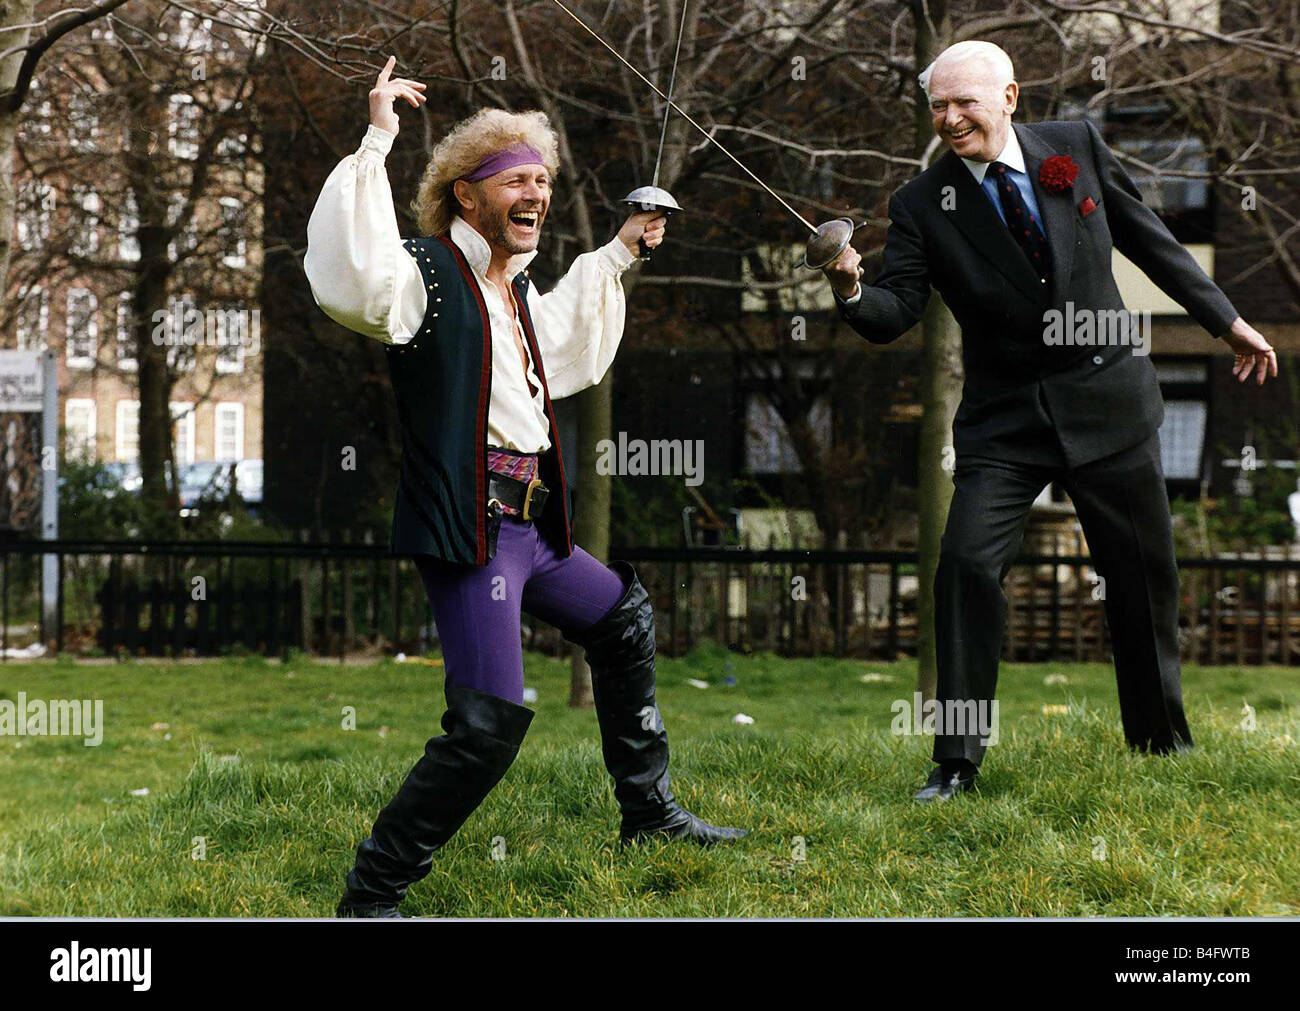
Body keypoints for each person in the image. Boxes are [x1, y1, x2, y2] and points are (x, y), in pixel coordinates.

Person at [305, 56, 745, 918]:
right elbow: (356, 274)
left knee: (622, 620)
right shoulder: (425, 277)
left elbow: (566, 322)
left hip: (534, 530)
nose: (535, 191)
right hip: (472, 528)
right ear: (468, 196)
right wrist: (378, 136)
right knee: (485, 728)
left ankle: (647, 812)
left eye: (543, 178)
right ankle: (372, 892)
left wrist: (621, 249)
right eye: (517, 179)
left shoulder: (514, 292)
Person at [821, 41, 1278, 803]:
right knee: (966, 567)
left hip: (1109, 403)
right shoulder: (919, 204)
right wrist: (846, 289)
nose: (950, 117)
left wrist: (1224, 321)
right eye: (938, 105)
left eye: (965, 101)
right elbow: (893, 312)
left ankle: (1160, 742)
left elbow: (1147, 237)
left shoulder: (1075, 147)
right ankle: (957, 763)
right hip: (1005, 425)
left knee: (1141, 579)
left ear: (1009, 97)